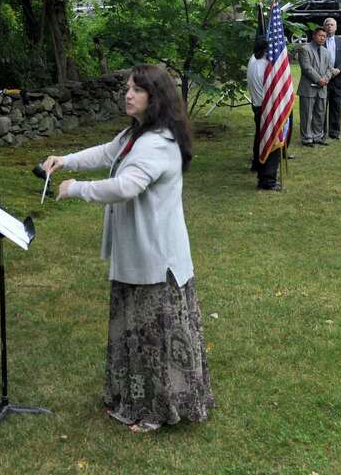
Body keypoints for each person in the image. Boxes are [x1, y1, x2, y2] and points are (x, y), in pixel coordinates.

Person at [42, 64, 213, 433]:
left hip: (156, 257)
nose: (128, 95)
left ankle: (155, 411)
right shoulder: (136, 134)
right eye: (128, 88)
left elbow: (125, 186)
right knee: (133, 332)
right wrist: (64, 160)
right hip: (136, 251)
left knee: (154, 338)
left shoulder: (159, 143)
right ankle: (130, 399)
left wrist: (76, 189)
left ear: (155, 97)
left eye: (136, 90)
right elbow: (107, 153)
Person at [246, 37, 282, 190]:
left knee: (261, 139)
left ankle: (259, 166)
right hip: (267, 108)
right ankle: (267, 180)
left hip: (257, 105)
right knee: (271, 143)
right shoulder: (266, 67)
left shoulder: (253, 60)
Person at [297, 27, 332, 146]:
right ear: (314, 36)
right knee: (307, 114)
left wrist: (326, 79)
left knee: (320, 113)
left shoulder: (326, 51)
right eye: (320, 35)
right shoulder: (304, 49)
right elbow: (306, 67)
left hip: (322, 88)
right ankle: (307, 138)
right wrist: (319, 80)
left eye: (324, 36)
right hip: (308, 88)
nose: (322, 38)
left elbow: (329, 69)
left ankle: (317, 136)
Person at [322, 17, 341, 141]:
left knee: (336, 107)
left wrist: (339, 69)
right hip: (324, 79)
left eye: (332, 25)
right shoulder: (320, 41)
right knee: (322, 107)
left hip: (339, 78)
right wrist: (328, 71)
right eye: (327, 25)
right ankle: (321, 131)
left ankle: (334, 132)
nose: (330, 27)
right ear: (324, 27)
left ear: (336, 27)